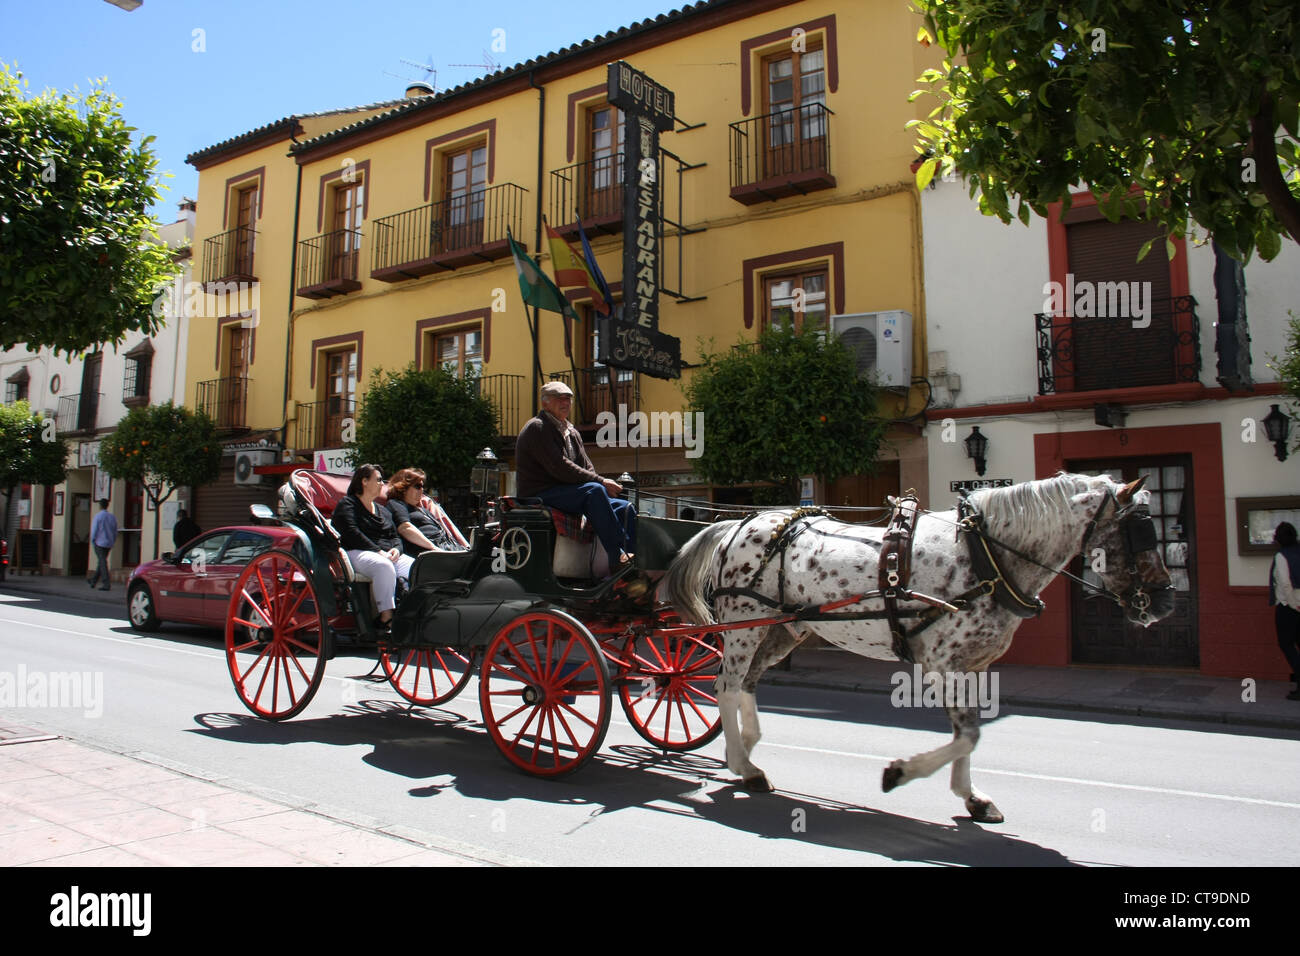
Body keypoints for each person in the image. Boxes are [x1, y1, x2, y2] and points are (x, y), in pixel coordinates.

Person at [515, 380, 636, 573]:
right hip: (540, 493)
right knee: (594, 491)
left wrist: (604, 485)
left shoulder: (571, 432)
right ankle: (617, 556)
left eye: (568, 399)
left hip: (566, 492)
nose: (565, 403)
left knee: (625, 507)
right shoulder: (537, 428)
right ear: (545, 403)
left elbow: (587, 467)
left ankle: (632, 561)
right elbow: (559, 467)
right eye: (559, 398)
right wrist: (600, 482)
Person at [332, 464, 412, 630]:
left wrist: (397, 549)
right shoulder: (347, 505)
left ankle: (413, 612)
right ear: (364, 481)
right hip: (356, 553)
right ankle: (386, 618)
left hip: (387, 554)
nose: (382, 484)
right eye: (378, 479)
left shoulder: (383, 511)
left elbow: (394, 536)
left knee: (416, 567)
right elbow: (351, 533)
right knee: (383, 566)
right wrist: (379, 551)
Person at [385, 467, 459, 557]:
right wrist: (434, 548)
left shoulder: (422, 509)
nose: (422, 490)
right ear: (403, 487)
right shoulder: (396, 503)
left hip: (447, 549)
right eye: (417, 486)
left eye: (423, 486)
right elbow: (405, 528)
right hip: (431, 555)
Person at [1270, 521, 1300, 701]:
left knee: (1286, 643)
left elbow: (1285, 583)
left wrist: (1292, 604)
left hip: (1289, 606)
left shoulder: (1282, 556)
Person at [87, 499, 118, 591]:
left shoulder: (98, 516)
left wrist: (92, 540)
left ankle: (106, 583)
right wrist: (113, 541)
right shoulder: (112, 517)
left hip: (99, 542)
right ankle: (93, 581)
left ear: (100, 506)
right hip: (108, 543)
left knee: (102, 562)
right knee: (101, 561)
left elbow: (94, 530)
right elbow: (115, 530)